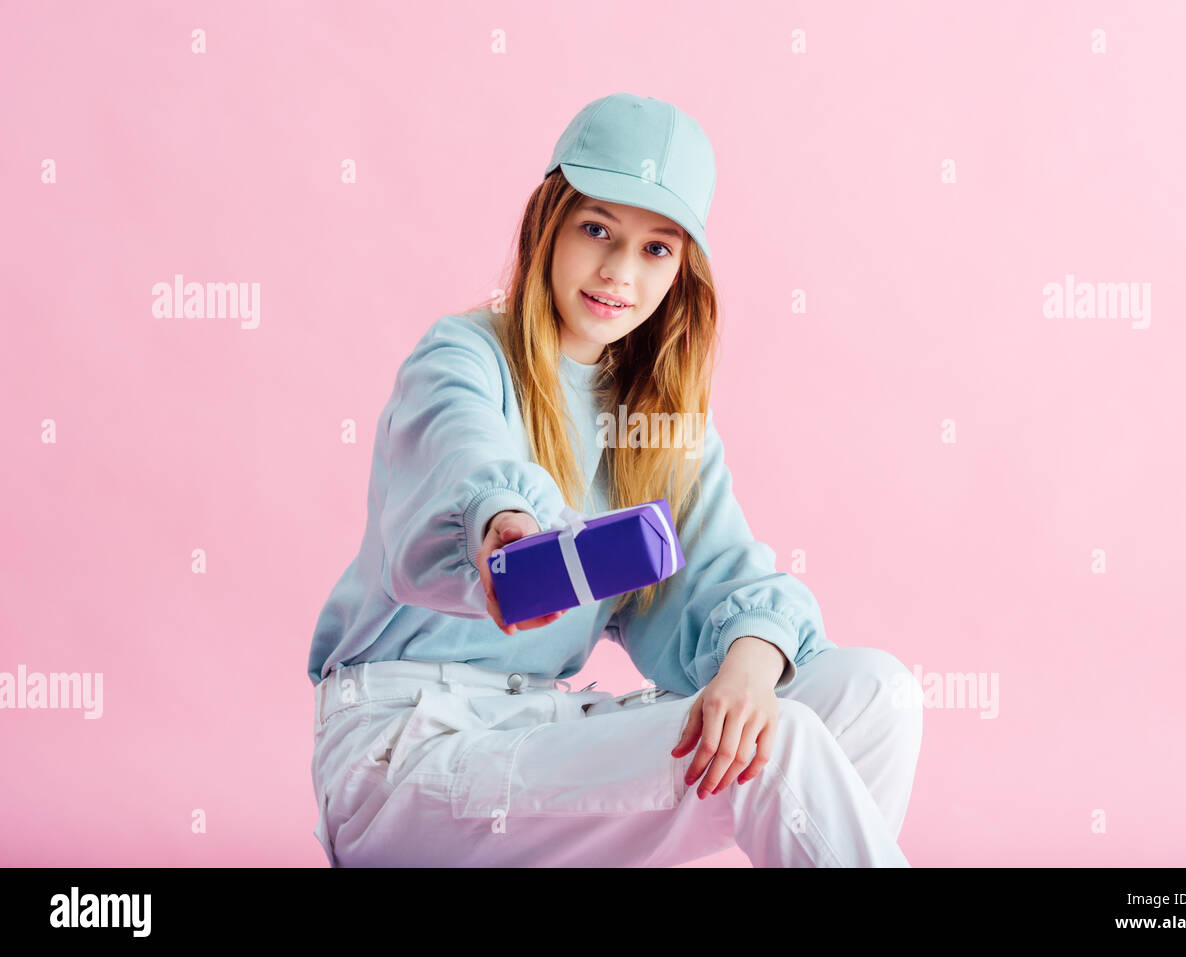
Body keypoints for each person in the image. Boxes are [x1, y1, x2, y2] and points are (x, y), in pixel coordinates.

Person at [308, 92, 923, 867]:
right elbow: (466, 463)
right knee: (785, 740)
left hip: (541, 733)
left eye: (656, 249)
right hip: (406, 752)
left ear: (681, 271)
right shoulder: (463, 355)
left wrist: (746, 668)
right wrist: (509, 535)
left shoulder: (655, 425)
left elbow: (734, 584)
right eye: (597, 229)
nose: (618, 273)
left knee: (875, 691)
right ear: (548, 225)